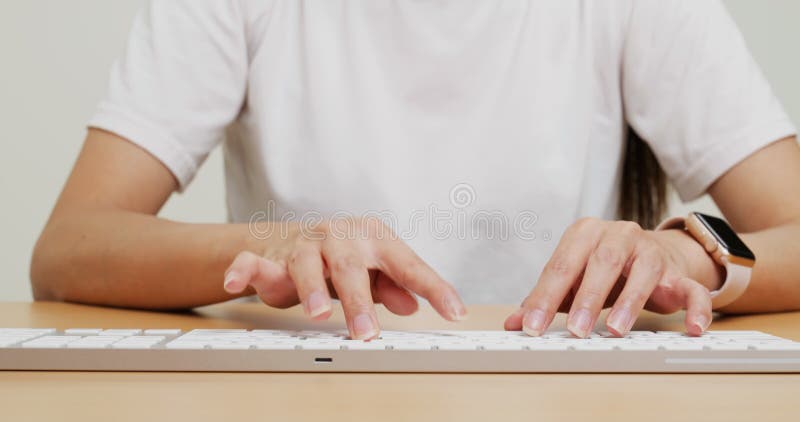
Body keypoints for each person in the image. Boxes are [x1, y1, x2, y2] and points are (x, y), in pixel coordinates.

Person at [31, 0, 800, 341]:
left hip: (565, 400)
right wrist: (271, 246)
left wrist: (693, 249)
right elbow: (69, 249)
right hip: (312, 391)